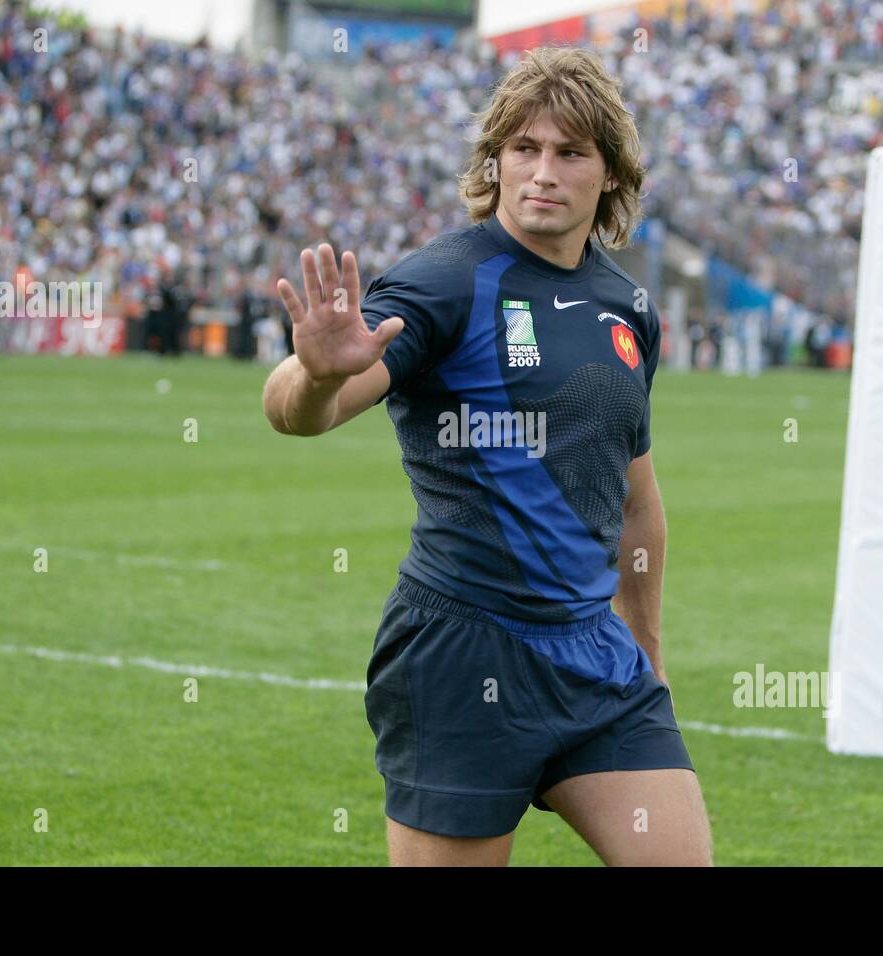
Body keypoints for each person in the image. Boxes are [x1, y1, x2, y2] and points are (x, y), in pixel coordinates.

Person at [262, 47, 712, 867]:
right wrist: (315, 374)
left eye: (569, 152)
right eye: (523, 149)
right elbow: (300, 413)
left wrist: (645, 648)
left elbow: (636, 500)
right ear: (495, 161)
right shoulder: (445, 281)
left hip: (598, 660)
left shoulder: (627, 307)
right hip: (462, 652)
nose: (542, 172)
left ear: (610, 174)